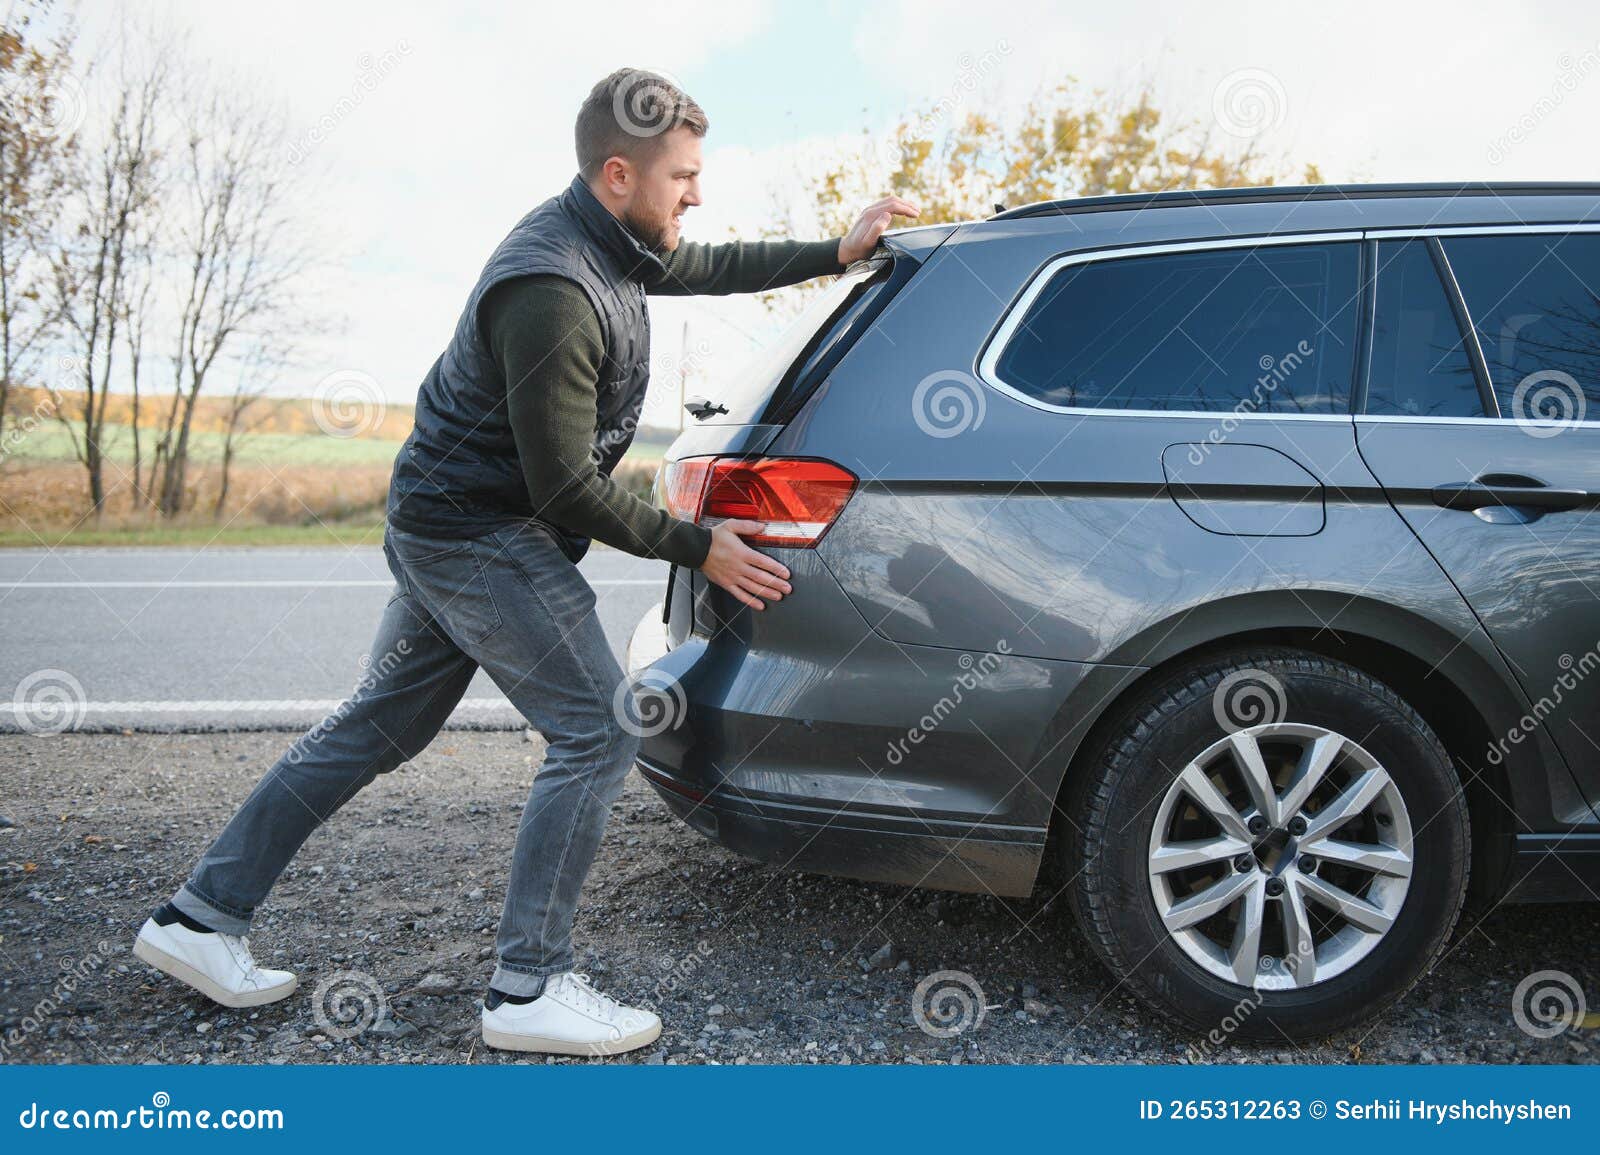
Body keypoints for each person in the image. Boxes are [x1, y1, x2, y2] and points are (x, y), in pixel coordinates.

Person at [132, 67, 918, 1057]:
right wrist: (698, 546)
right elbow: (561, 493)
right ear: (619, 173)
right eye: (683, 176)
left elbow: (705, 262)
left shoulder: (616, 239)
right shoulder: (553, 289)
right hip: (477, 532)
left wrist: (831, 253)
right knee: (599, 724)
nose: (697, 195)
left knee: (380, 723)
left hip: (449, 519)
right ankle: (526, 988)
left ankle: (197, 920)